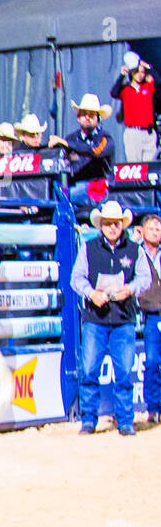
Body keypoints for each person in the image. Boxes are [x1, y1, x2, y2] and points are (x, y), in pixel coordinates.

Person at [70, 201, 152, 437]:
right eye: (108, 223)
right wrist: (91, 293)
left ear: (122, 225)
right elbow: (77, 278)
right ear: (102, 225)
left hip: (123, 317)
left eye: (116, 223)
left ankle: (125, 421)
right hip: (95, 317)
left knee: (124, 372)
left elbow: (144, 278)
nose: (112, 227)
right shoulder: (89, 247)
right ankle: (88, 420)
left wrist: (131, 288)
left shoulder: (134, 249)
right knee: (89, 370)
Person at [64, 93, 116, 211]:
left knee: (64, 196)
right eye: (84, 114)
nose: (87, 117)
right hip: (73, 185)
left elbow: (96, 151)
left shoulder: (105, 138)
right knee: (57, 192)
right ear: (78, 117)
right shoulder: (71, 138)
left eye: (91, 114)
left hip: (97, 187)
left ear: (98, 118)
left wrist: (68, 145)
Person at [108, 52, 158, 162]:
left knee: (149, 167)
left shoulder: (147, 87)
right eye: (137, 72)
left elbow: (158, 82)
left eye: (142, 73)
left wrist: (148, 68)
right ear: (132, 72)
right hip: (133, 133)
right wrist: (122, 75)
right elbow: (114, 92)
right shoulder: (126, 89)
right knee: (135, 166)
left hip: (148, 132)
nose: (140, 75)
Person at [136, 213, 161, 425]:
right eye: (152, 228)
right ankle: (153, 407)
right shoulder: (136, 253)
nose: (156, 232)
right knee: (152, 362)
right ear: (142, 231)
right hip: (151, 313)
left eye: (158, 228)